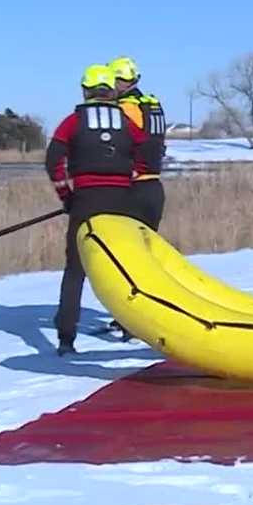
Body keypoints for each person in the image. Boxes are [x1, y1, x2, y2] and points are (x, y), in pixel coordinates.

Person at [45, 64, 146, 356]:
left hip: (86, 201)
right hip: (122, 201)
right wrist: (134, 178)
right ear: (111, 90)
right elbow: (147, 152)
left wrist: (67, 195)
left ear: (86, 90)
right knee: (124, 265)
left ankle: (66, 339)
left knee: (76, 269)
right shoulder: (127, 122)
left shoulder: (73, 122)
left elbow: (54, 160)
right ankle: (132, 327)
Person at [111, 56, 167, 230]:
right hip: (154, 189)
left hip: (131, 189)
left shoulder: (124, 109)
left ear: (121, 82)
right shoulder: (151, 106)